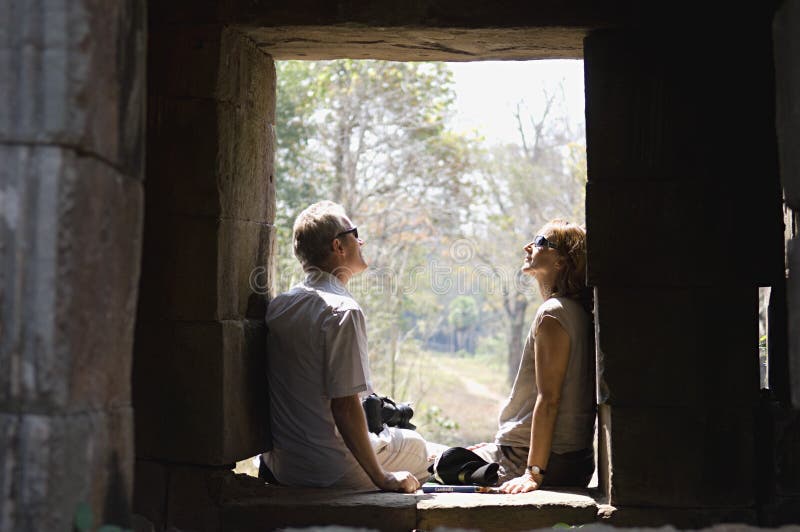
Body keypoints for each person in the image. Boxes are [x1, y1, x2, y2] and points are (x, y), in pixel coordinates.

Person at [260, 201, 429, 493]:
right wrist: (383, 478)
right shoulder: (342, 311)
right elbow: (345, 407)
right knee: (420, 447)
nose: (361, 241)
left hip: (285, 466)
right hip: (330, 470)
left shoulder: (280, 305)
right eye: (355, 233)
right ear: (338, 246)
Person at [470, 219, 595, 493]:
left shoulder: (553, 313)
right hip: (565, 457)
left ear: (561, 261)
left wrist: (533, 474)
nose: (528, 246)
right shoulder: (577, 312)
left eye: (539, 242)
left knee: (430, 466)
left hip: (540, 459)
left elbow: (549, 400)